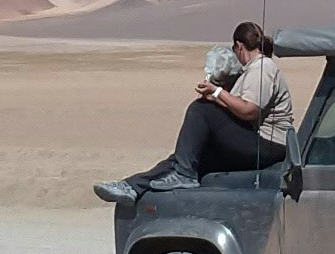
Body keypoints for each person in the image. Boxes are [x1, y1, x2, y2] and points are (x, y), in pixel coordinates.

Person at [111, 20, 291, 194]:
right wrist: (214, 97)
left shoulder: (262, 67)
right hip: (258, 141)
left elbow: (249, 110)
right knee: (188, 156)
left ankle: (183, 175)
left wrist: (217, 92)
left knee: (200, 109)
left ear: (239, 46)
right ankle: (132, 186)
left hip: (268, 145)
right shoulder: (253, 70)